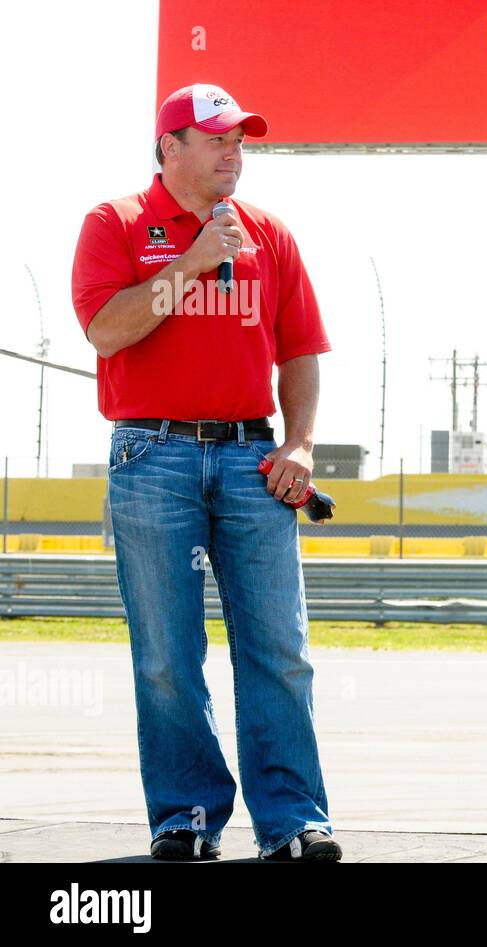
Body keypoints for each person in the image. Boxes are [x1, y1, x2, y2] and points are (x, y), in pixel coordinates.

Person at [70, 83, 341, 862]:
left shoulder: (270, 234)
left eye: (241, 140)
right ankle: (185, 817)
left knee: (279, 650)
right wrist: (191, 261)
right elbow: (106, 329)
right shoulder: (114, 223)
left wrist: (302, 444)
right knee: (166, 655)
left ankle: (293, 821)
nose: (234, 153)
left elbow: (300, 353)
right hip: (153, 455)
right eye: (218, 139)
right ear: (170, 148)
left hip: (252, 456)